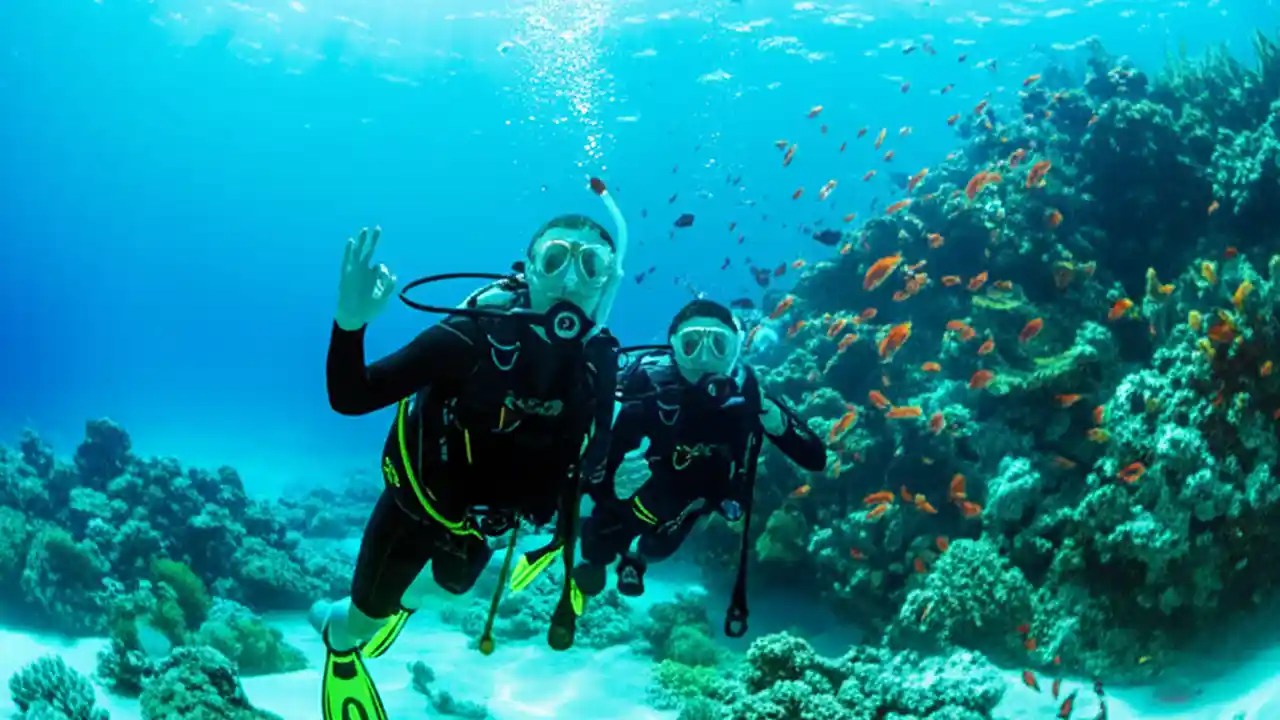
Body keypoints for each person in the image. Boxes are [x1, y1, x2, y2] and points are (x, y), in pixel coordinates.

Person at [312, 180, 629, 720]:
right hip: (418, 510)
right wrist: (349, 322)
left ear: (608, 282)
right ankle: (335, 637)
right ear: (527, 269)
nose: (572, 279)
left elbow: (588, 449)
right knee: (360, 623)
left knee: (450, 593)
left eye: (591, 265)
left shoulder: (598, 362)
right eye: (555, 259)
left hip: (487, 527)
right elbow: (351, 396)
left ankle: (398, 607)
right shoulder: (471, 337)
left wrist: (607, 482)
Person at [572, 298, 826, 635]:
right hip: (631, 501)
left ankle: (636, 557)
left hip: (693, 504)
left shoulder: (748, 395)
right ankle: (597, 548)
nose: (705, 357)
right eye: (692, 345)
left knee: (658, 549)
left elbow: (815, 458)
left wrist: (773, 416)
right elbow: (584, 458)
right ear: (674, 347)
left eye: (718, 344)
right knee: (598, 548)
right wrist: (608, 477)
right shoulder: (642, 389)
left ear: (735, 349)